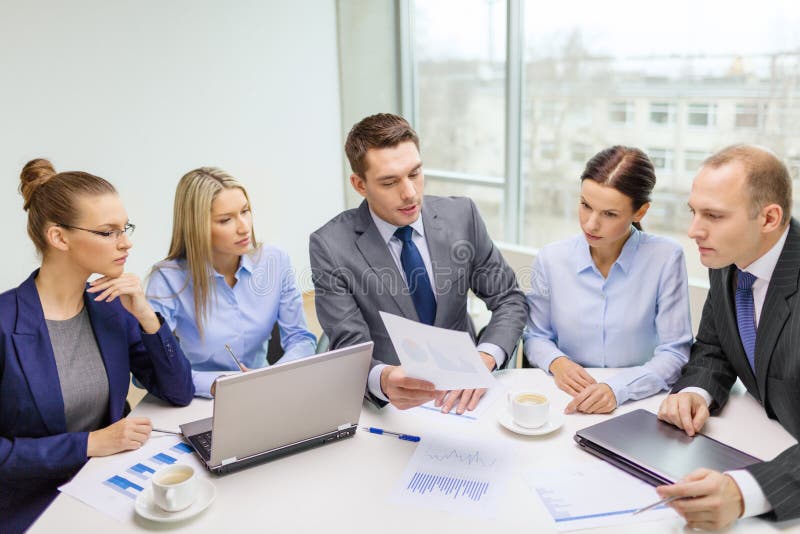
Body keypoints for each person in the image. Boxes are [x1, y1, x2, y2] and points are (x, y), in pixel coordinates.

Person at [0, 159, 194, 533]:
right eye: (108, 232)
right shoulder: (6, 323)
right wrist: (87, 444)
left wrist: (146, 315)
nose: (126, 242)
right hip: (35, 503)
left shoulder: (110, 306)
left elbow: (178, 392)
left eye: (125, 229)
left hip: (110, 484)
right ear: (59, 237)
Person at [310, 113, 527, 414]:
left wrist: (486, 357)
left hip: (468, 397)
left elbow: (509, 300)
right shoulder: (330, 246)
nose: (409, 193)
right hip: (389, 410)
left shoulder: (462, 217)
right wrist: (382, 380)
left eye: (414, 174)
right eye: (389, 182)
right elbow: (349, 345)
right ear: (359, 184)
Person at [656, 145, 800, 529]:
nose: (693, 231)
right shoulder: (728, 258)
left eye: (714, 216)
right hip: (759, 438)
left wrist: (746, 492)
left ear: (769, 218)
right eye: (694, 212)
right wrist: (696, 391)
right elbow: (714, 347)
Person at [523, 146, 692, 414]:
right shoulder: (551, 259)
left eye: (609, 214)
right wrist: (557, 362)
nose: (591, 224)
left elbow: (675, 353)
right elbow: (535, 335)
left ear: (640, 212)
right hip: (564, 397)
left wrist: (619, 388)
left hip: (639, 401)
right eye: (585, 205)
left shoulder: (666, 258)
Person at [147, 167, 316, 398]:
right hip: (198, 399)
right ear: (197, 227)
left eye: (245, 211)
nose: (244, 227)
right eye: (225, 220)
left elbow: (300, 339)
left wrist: (273, 377)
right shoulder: (167, 279)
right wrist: (219, 384)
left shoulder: (274, 261)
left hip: (264, 394)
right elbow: (150, 371)